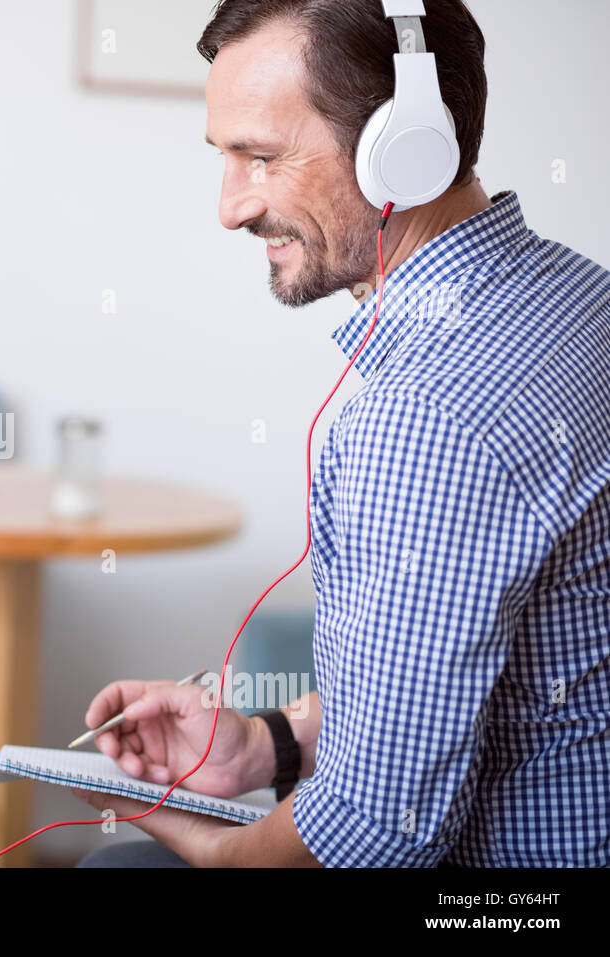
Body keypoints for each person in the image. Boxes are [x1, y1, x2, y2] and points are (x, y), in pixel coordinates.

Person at [76, 0, 610, 867]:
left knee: (116, 864)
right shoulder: (579, 297)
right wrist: (265, 747)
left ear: (405, 147)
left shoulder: (426, 420)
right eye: (225, 158)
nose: (230, 208)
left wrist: (219, 855)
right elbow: (497, 676)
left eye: (261, 156)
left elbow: (373, 833)